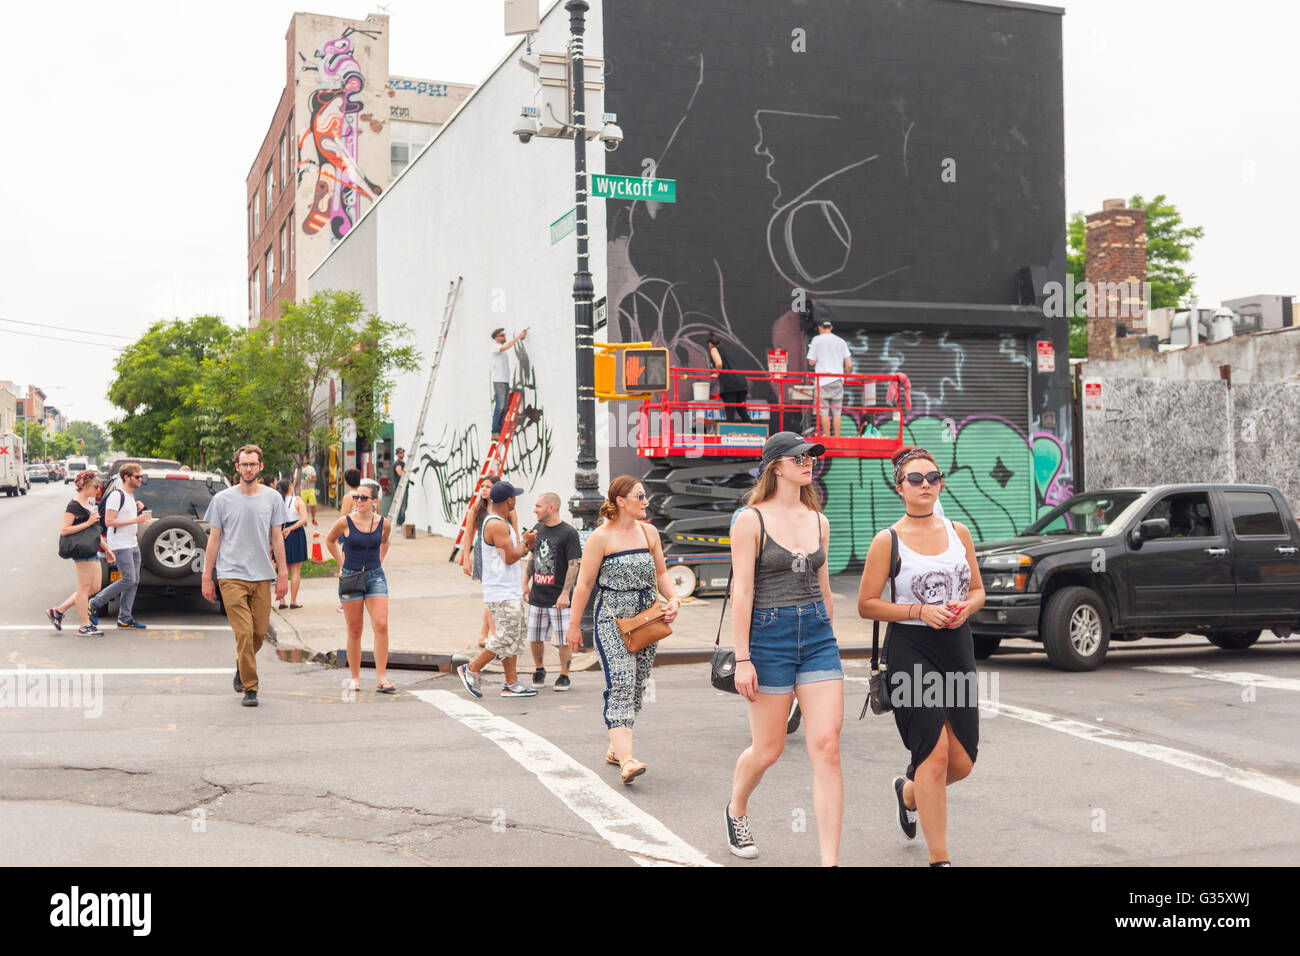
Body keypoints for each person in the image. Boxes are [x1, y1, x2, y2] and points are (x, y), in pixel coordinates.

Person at [856, 446, 985, 867]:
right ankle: (939, 858)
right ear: (900, 488)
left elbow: (978, 590)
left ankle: (908, 792)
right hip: (911, 648)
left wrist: (967, 607)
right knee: (934, 753)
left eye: (932, 476)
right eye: (915, 478)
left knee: (962, 761)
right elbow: (867, 604)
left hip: (956, 646)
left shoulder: (959, 533)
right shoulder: (887, 540)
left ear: (941, 483)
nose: (925, 483)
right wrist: (918, 610)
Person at [725, 432, 842, 864]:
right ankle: (737, 808)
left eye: (812, 456)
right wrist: (742, 659)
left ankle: (829, 860)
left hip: (816, 635)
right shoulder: (749, 519)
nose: (809, 461)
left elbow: (825, 590)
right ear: (776, 466)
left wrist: (828, 632)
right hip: (768, 636)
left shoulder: (818, 519)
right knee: (769, 749)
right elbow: (742, 591)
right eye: (800, 457)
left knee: (827, 747)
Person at [564, 476, 681, 784]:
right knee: (622, 682)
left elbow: (662, 572)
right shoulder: (601, 538)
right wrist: (574, 626)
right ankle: (627, 760)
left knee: (639, 683)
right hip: (613, 620)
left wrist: (674, 599)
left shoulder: (649, 532)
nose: (646, 501)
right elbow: (585, 585)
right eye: (639, 496)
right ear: (620, 501)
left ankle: (617, 748)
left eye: (645, 496)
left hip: (648, 618)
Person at [202, 444, 290, 707]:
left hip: (262, 574)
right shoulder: (222, 500)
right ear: (237, 467)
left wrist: (283, 573)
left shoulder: (273, 498)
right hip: (231, 575)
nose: (249, 468)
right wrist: (208, 576)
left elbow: (277, 537)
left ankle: (241, 665)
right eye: (244, 464)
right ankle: (250, 688)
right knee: (244, 632)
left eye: (253, 464)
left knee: (259, 633)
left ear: (260, 467)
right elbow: (214, 539)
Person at [457, 481, 539, 698]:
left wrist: (522, 544)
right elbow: (511, 557)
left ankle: (511, 684)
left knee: (514, 636)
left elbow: (506, 556)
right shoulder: (496, 525)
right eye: (515, 497)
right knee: (506, 635)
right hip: (500, 591)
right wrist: (527, 542)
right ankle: (471, 669)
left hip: (508, 589)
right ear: (509, 500)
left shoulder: (502, 523)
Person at [325, 479, 395, 694]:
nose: (358, 501)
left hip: (375, 576)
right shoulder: (344, 522)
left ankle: (381, 677)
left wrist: (379, 560)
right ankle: (355, 677)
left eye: (363, 498)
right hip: (350, 577)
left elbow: (385, 541)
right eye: (356, 497)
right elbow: (329, 540)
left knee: (381, 624)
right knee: (355, 629)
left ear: (374, 501)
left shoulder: (383, 523)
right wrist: (341, 563)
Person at [524, 492, 582, 691]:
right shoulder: (537, 529)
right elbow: (532, 557)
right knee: (534, 636)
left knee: (563, 639)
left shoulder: (568, 533)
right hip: (537, 594)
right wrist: (525, 582)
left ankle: (564, 675)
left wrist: (565, 594)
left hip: (558, 598)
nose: (534, 509)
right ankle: (539, 668)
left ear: (551, 508)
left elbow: (573, 565)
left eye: (538, 506)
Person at [87, 462, 150, 630]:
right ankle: (94, 602)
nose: (140, 479)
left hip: (132, 543)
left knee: (134, 581)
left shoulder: (130, 496)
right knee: (129, 578)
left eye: (140, 476)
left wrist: (137, 510)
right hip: (120, 544)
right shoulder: (117, 495)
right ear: (126, 477)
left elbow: (124, 517)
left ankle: (125, 618)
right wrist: (136, 520)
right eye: (137, 477)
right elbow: (109, 521)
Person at [461, 473, 519, 647]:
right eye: (482, 487)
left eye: (488, 486)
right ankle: (492, 634)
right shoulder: (476, 509)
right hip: (483, 552)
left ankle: (484, 634)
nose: (483, 490)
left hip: (503, 550)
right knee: (490, 593)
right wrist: (466, 557)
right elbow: (468, 533)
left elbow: (515, 533)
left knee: (491, 595)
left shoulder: (509, 511)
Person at [48, 470, 108, 637]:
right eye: (96, 486)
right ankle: (84, 626)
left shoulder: (89, 505)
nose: (98, 489)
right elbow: (64, 530)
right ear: (86, 487)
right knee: (84, 588)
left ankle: (58, 611)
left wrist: (108, 549)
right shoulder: (73, 505)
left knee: (95, 587)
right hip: (81, 550)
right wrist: (87, 522)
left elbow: (94, 531)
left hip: (92, 548)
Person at [806, 319, 853, 437]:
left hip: (822, 381)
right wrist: (844, 377)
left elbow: (811, 362)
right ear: (831, 327)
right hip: (837, 380)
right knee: (837, 412)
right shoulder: (840, 341)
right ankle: (836, 438)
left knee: (824, 412)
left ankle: (827, 436)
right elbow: (849, 365)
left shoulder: (816, 340)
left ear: (820, 328)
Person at [490, 327, 527, 439]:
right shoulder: (495, 347)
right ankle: (495, 431)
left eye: (504, 335)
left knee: (504, 406)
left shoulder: (500, 349)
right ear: (496, 338)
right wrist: (519, 337)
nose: (504, 337)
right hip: (499, 381)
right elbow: (506, 347)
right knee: (500, 406)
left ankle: (499, 429)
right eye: (502, 335)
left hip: (504, 381)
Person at [277, 478, 309, 609]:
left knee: (281, 569)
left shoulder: (277, 502)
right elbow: (304, 519)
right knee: (295, 570)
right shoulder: (298, 501)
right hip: (295, 533)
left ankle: (281, 601)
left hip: (280, 534)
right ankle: (293, 601)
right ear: (290, 487)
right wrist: (291, 528)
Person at [707, 333, 751, 423]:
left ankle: (730, 433)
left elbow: (719, 363)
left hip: (730, 382)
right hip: (741, 382)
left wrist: (717, 374)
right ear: (720, 342)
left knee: (730, 411)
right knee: (741, 410)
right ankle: (753, 430)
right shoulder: (727, 351)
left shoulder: (714, 349)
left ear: (710, 344)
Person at [392, 448, 408, 526]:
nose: (402, 454)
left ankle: (401, 522)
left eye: (403, 452)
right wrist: (407, 474)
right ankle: (399, 523)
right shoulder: (397, 463)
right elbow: (400, 474)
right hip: (400, 488)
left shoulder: (403, 463)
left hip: (405, 487)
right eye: (400, 453)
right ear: (397, 454)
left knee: (404, 505)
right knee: (401, 505)